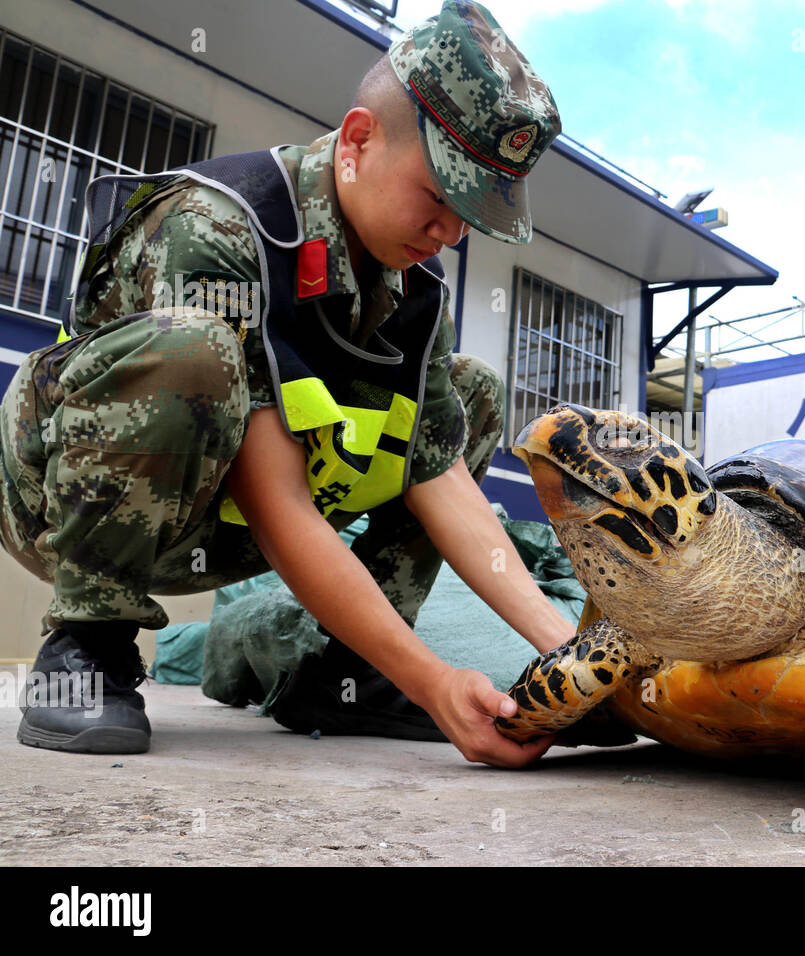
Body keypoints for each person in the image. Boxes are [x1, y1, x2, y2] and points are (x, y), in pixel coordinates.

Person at [0, 0, 574, 766]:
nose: (452, 233)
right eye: (440, 197)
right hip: (57, 495)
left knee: (469, 397)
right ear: (359, 141)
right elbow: (277, 504)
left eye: (472, 213)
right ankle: (86, 646)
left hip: (214, 524)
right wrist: (436, 681)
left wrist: (579, 656)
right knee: (196, 350)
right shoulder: (220, 226)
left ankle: (342, 675)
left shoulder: (414, 294)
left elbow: (443, 483)